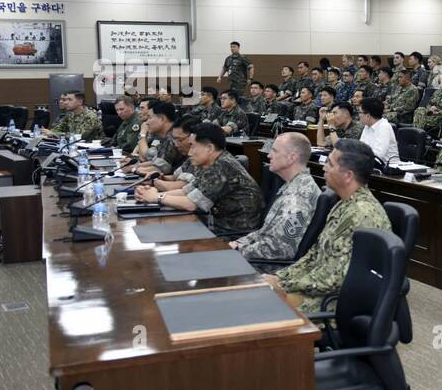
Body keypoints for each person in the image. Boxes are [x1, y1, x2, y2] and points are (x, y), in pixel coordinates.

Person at [264, 140, 392, 311]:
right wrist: (279, 278)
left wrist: (284, 285)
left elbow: (336, 278)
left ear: (348, 176)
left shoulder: (361, 216)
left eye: (330, 163)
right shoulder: (344, 204)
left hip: (332, 303)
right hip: (316, 290)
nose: (324, 167)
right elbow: (314, 257)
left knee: (259, 309)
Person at [135, 122, 264, 233]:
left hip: (231, 233)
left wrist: (157, 197)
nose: (190, 152)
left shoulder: (223, 165)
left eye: (193, 146)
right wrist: (152, 194)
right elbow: (187, 191)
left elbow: (191, 204)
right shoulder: (213, 162)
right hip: (214, 225)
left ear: (209, 148)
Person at [229, 132, 321, 262]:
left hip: (269, 267)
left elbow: (281, 248)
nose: (269, 155)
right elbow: (264, 232)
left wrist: (238, 251)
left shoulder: (299, 196)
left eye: (275, 151)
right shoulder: (292, 184)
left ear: (292, 157)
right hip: (260, 256)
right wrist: (238, 243)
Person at [356, 97, 399, 164]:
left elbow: (378, 155)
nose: (359, 115)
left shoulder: (384, 127)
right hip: (370, 165)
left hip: (388, 168)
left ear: (368, 116)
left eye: (360, 112)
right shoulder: (367, 126)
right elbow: (360, 149)